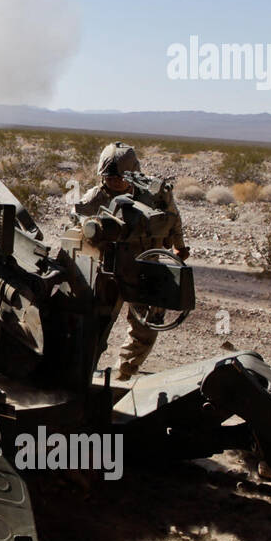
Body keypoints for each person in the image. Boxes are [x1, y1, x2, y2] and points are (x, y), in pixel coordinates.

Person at [73, 142, 188, 379]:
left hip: (145, 266)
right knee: (95, 322)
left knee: (146, 325)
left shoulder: (156, 193)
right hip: (108, 269)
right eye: (108, 176)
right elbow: (78, 227)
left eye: (119, 176)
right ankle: (82, 373)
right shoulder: (95, 197)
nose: (114, 182)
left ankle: (124, 372)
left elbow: (173, 219)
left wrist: (180, 247)